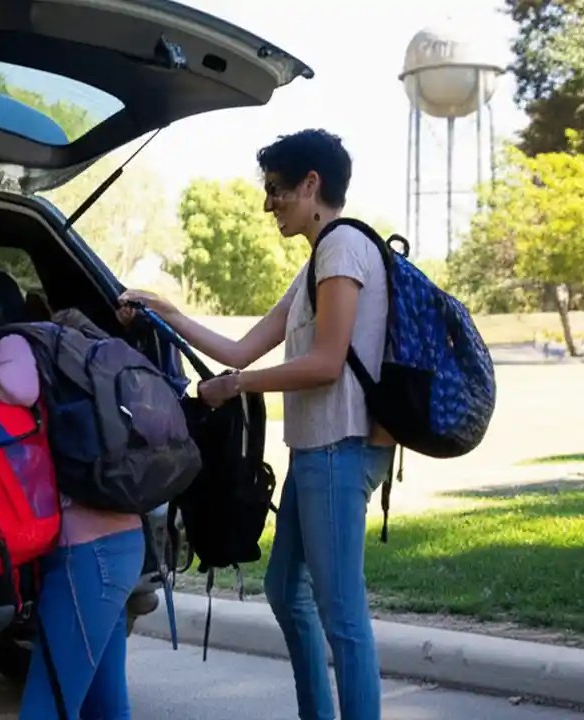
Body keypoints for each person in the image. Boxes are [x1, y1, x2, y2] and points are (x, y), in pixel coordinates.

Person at [119, 129, 393, 720]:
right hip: (316, 452)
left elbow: (323, 364)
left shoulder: (342, 249)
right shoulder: (319, 261)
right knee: (284, 591)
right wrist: (167, 312)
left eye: (276, 190)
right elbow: (241, 348)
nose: (269, 204)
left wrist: (235, 388)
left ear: (311, 184)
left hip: (339, 451)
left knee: (341, 614)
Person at [0, 286, 145, 720]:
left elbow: (16, 387)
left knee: (46, 709)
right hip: (116, 544)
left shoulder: (13, 344)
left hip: (88, 555)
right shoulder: (57, 347)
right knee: (104, 706)